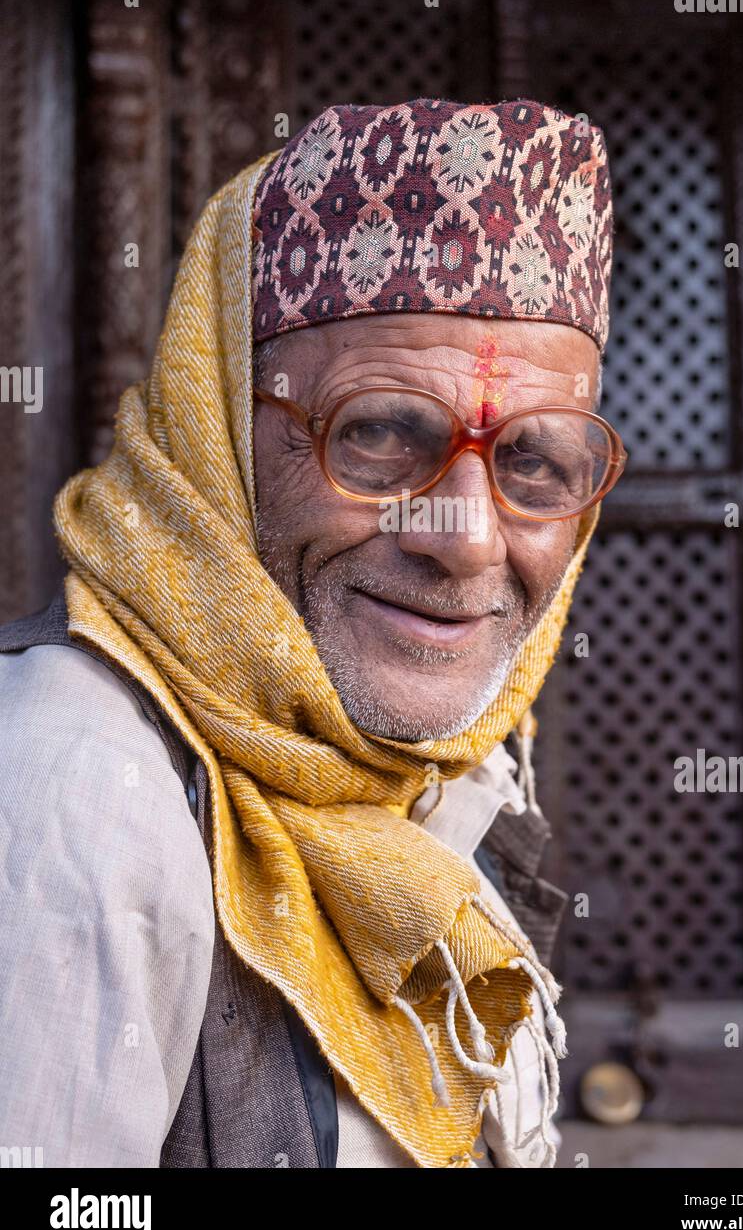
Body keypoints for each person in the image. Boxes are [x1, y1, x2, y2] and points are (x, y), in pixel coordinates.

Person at [0, 97, 623, 1168]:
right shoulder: (75, 786)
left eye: (531, 461)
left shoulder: (445, 766)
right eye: (379, 432)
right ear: (217, 427)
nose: (467, 541)